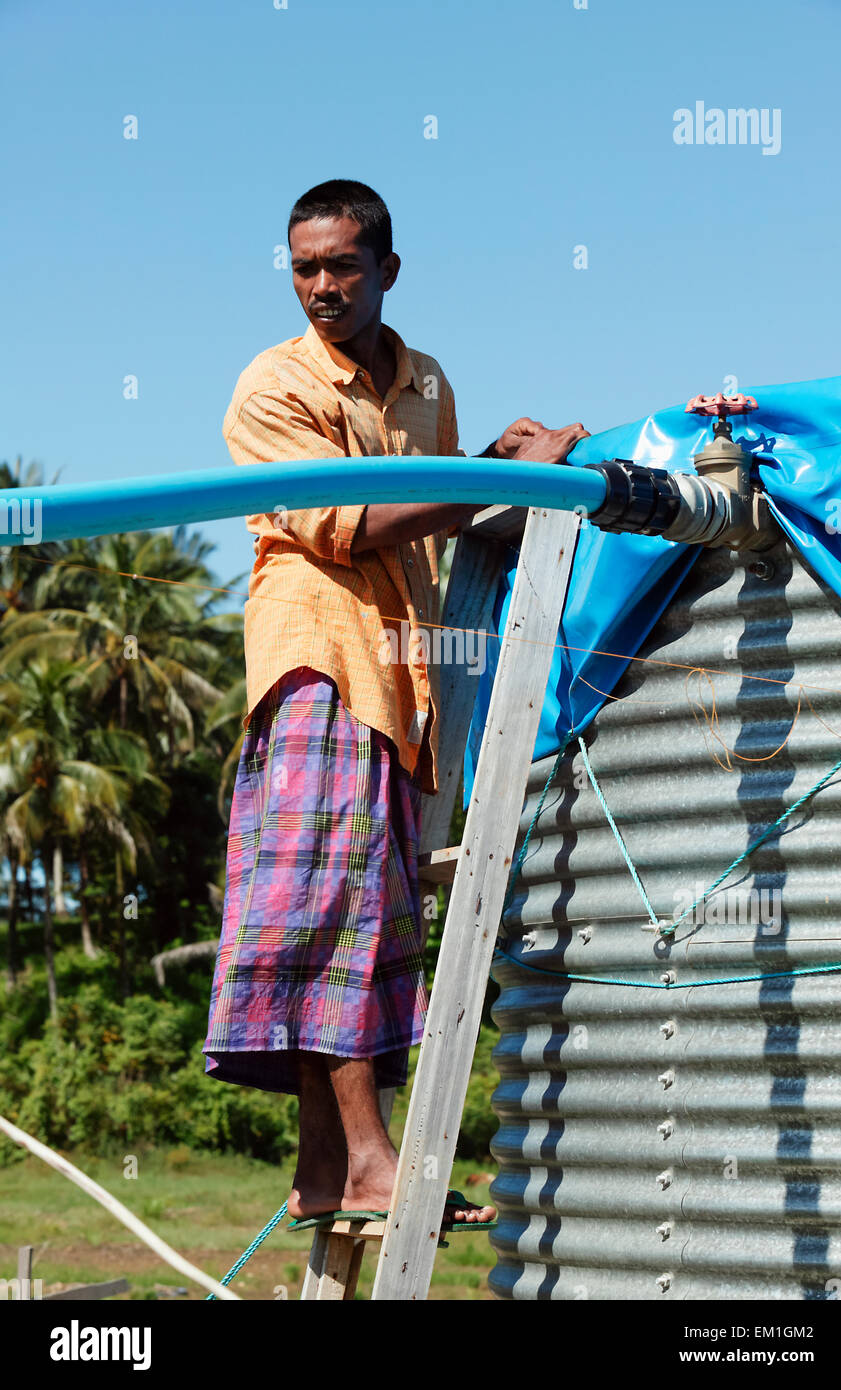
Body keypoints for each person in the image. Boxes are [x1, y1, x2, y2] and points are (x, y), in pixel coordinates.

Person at [202, 179, 589, 1226]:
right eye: (304, 268)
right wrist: (493, 472)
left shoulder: (424, 383)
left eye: (340, 266)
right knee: (320, 908)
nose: (321, 287)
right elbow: (348, 520)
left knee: (363, 907)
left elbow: (440, 517)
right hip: (320, 663)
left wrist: (502, 469)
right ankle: (372, 1160)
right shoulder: (272, 385)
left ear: (386, 269)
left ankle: (326, 1169)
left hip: (405, 675)